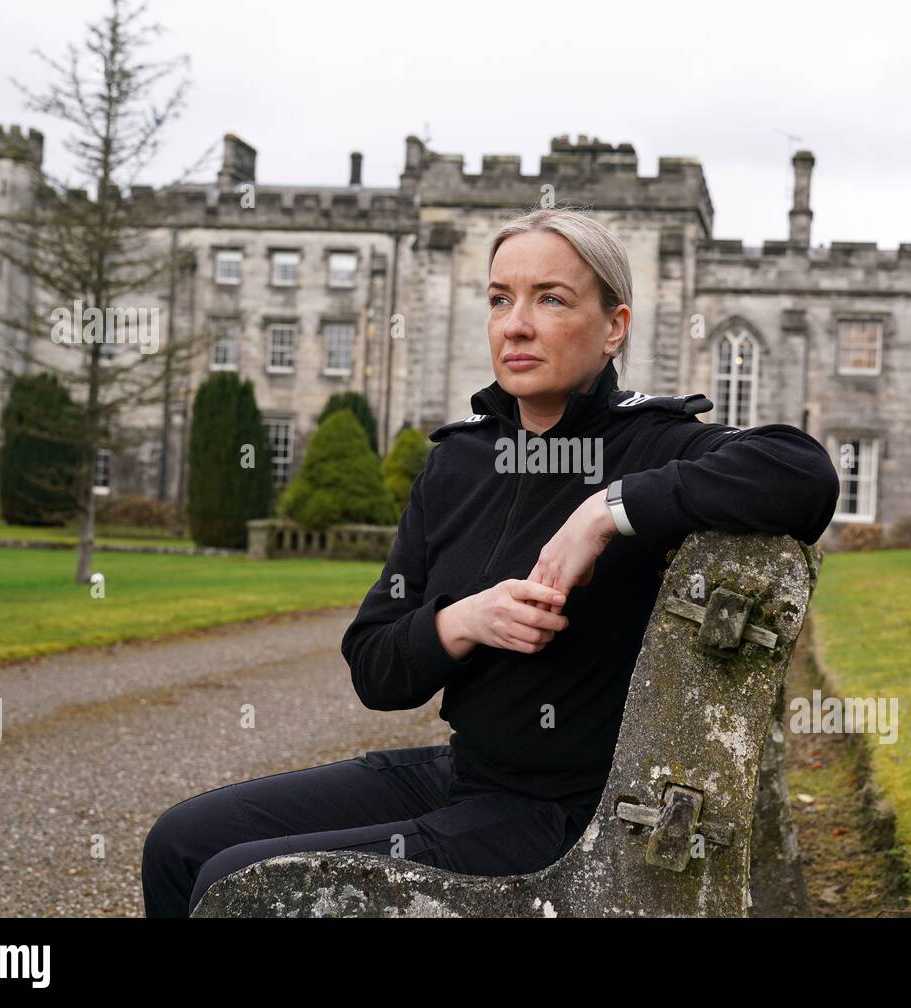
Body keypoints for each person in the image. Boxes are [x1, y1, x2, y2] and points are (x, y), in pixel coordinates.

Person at [140, 207, 839, 917]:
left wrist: (604, 513)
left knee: (234, 880)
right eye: (501, 299)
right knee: (182, 841)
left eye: (552, 299)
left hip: (564, 817)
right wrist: (464, 621)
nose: (516, 324)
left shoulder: (649, 444)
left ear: (614, 326)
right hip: (464, 777)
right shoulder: (456, 464)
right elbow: (375, 668)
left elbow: (801, 470)